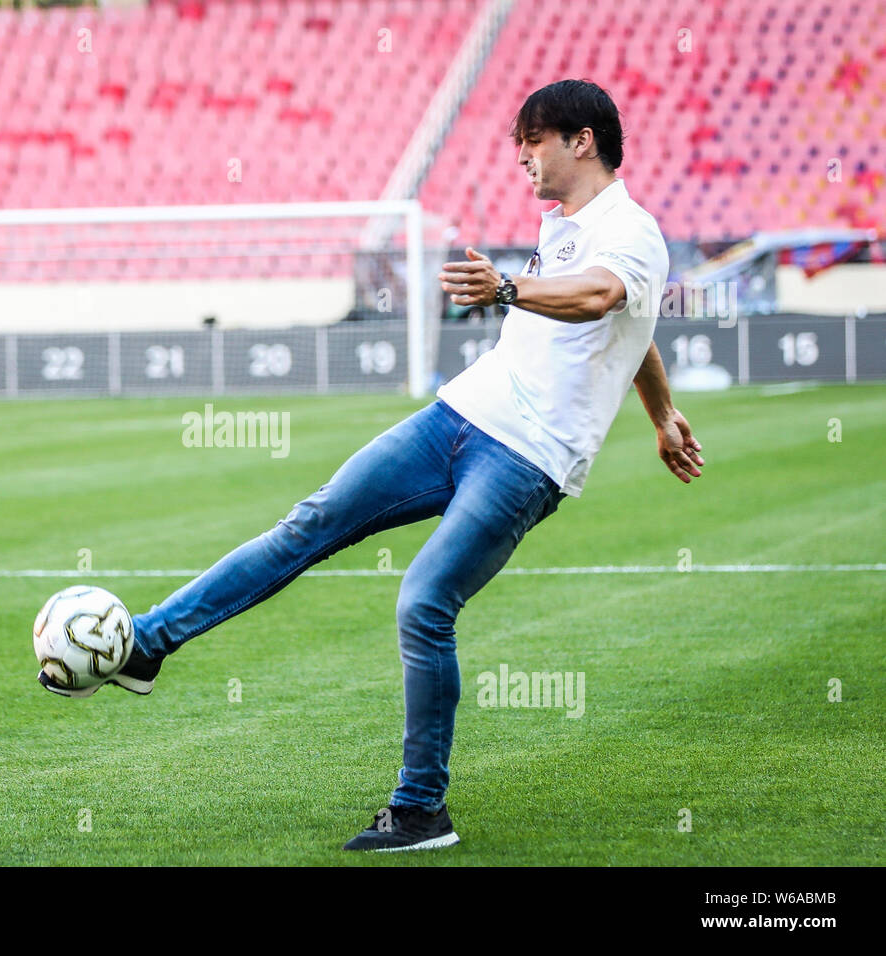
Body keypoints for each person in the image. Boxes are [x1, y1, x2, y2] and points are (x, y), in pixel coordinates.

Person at [39, 79, 705, 852]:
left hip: (529, 458)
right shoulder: (562, 223)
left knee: (423, 603)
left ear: (580, 140)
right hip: (458, 416)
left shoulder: (632, 230)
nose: (521, 155)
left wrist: (510, 287)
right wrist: (660, 414)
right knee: (308, 522)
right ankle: (149, 643)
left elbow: (606, 298)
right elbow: (637, 325)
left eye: (533, 139)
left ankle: (422, 810)